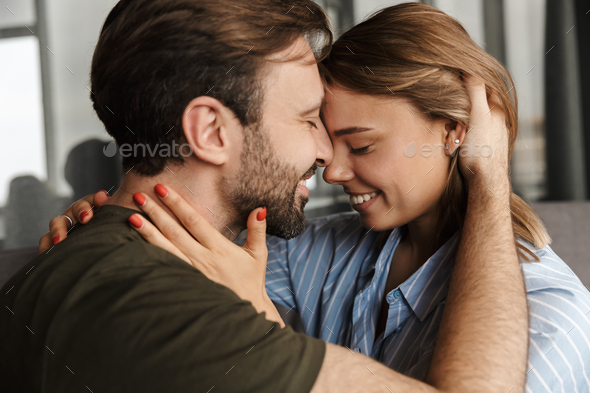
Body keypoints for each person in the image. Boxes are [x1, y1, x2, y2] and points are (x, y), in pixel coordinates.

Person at [45, 2, 590, 391]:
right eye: (321, 132)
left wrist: (491, 176)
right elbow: (198, 248)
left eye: (362, 144)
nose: (331, 170)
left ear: (456, 133)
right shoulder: (327, 250)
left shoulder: (552, 317)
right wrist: (113, 222)